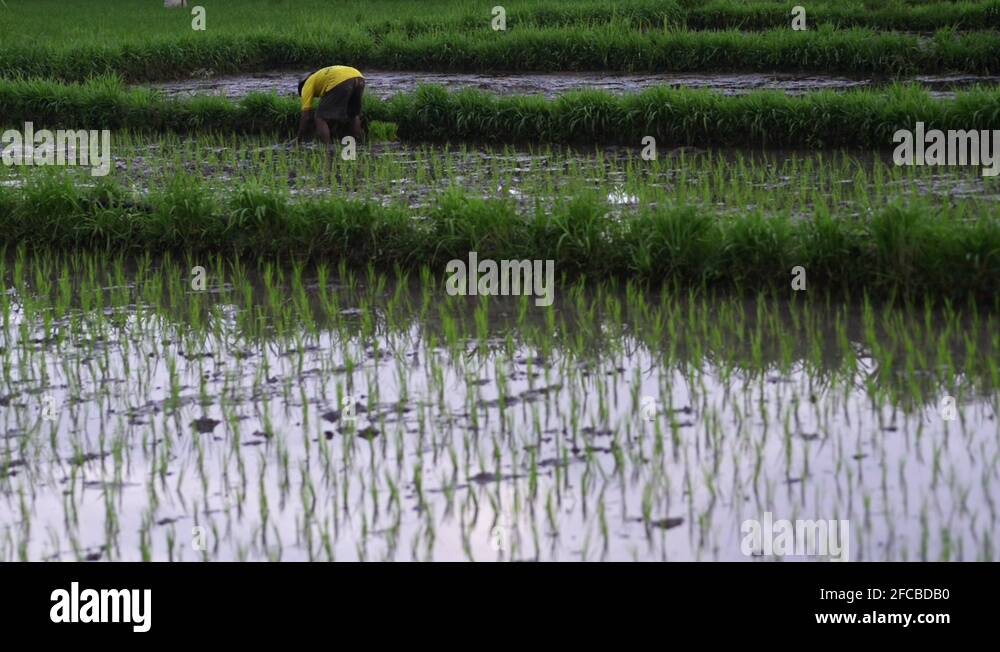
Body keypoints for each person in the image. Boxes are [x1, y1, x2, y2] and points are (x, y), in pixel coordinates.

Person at [297, 66, 366, 144]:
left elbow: (306, 116)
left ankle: (327, 147)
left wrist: (299, 139)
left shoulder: (307, 84)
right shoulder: (320, 77)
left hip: (341, 80)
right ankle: (361, 143)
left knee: (320, 117)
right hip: (359, 77)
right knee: (353, 115)